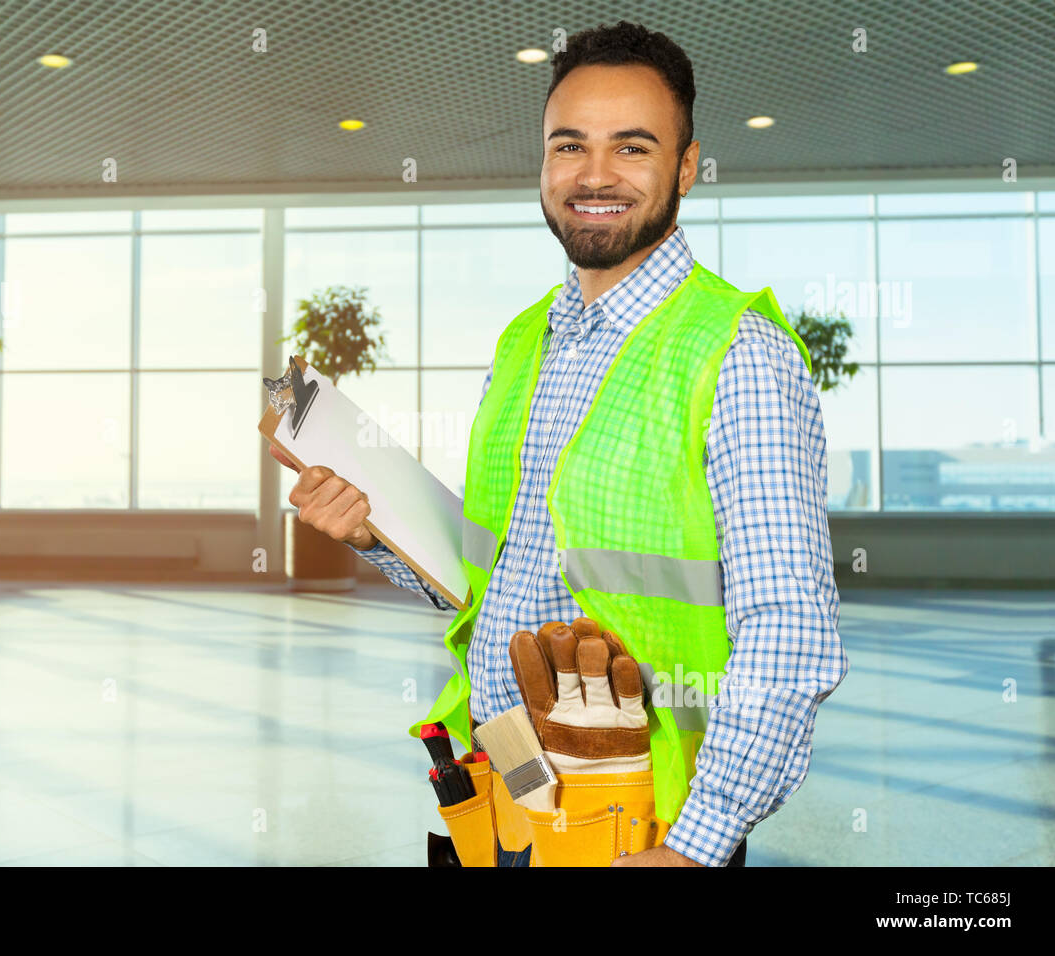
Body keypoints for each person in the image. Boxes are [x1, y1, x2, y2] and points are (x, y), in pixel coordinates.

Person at [272, 19, 847, 867]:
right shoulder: (524, 343)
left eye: (634, 148)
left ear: (686, 166)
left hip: (639, 825)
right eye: (569, 145)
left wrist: (698, 844)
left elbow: (788, 627)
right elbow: (500, 576)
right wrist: (375, 535)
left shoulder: (737, 353)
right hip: (498, 792)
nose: (596, 175)